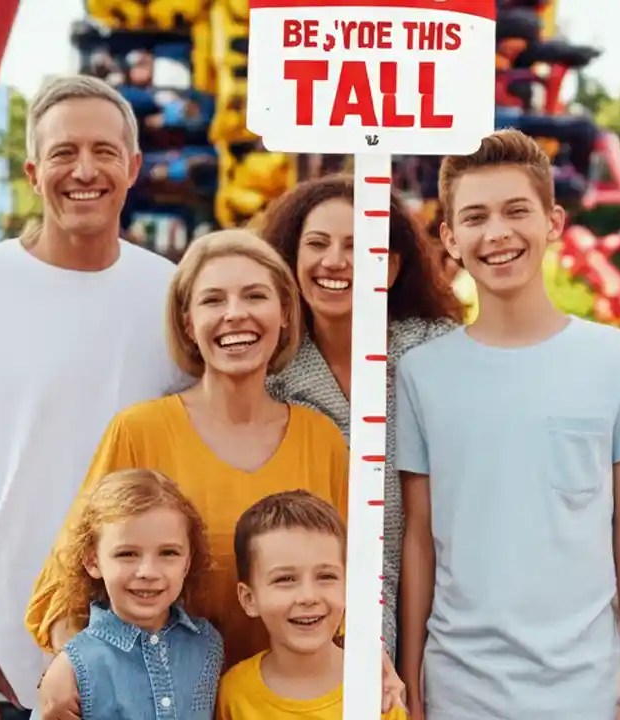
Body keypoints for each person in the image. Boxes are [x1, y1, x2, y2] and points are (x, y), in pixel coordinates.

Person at [0, 75, 188, 719]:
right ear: (32, 171)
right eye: (63, 152)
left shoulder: (171, 295)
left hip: (134, 660)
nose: (85, 170)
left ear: (133, 167)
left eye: (105, 151)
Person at [29, 230, 402, 718]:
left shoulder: (321, 438)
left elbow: (352, 581)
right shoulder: (139, 430)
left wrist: (372, 656)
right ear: (188, 323)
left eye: (255, 295)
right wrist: (67, 666)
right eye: (213, 300)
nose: (235, 314)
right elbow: (66, 577)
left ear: (285, 314)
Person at [396, 129, 620, 720]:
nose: (496, 233)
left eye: (515, 211)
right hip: (458, 689)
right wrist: (413, 684)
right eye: (474, 217)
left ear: (552, 221)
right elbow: (419, 538)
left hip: (586, 690)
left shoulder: (619, 359)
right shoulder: (421, 374)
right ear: (450, 237)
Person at [257, 175, 463, 660]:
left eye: (357, 245)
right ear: (290, 262)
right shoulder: (265, 373)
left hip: (445, 613)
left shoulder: (437, 354)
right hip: (309, 626)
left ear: (389, 267)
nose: (334, 261)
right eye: (317, 244)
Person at [216, 490, 408, 720]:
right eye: (285, 579)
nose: (308, 596)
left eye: (326, 576)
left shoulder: (377, 690)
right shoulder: (234, 693)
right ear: (249, 599)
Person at [50, 468, 223, 719]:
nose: (148, 572)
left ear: (187, 562)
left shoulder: (208, 644)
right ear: (93, 562)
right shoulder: (75, 666)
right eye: (127, 554)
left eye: (168, 553)